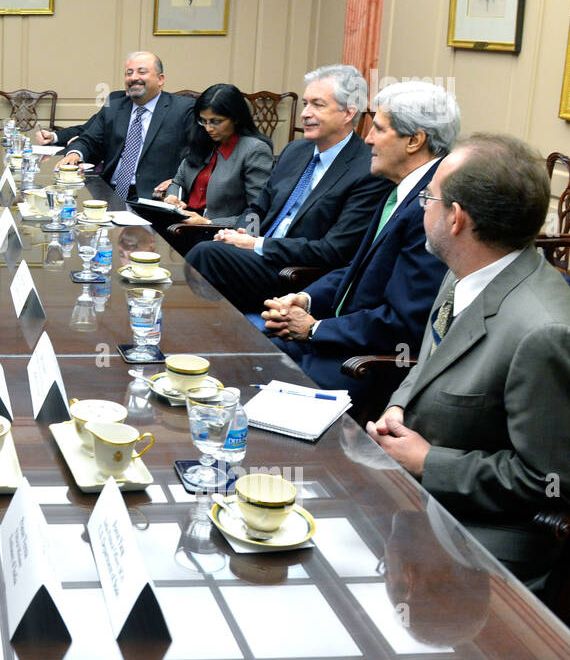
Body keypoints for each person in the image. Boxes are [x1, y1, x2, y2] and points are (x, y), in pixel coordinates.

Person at [366, 134, 570, 589]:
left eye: (428, 198)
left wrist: (430, 461)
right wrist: (400, 404)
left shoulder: (544, 334)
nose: (422, 207)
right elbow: (433, 362)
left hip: (492, 538)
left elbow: (563, 484)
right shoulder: (468, 274)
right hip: (426, 500)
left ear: (456, 219)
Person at [258, 80, 457, 413]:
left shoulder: (430, 205)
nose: (367, 139)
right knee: (253, 357)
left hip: (370, 364)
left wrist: (314, 329)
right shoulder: (399, 189)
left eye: (378, 129)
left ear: (414, 141)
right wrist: (305, 299)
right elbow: (359, 270)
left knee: (265, 399)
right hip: (342, 341)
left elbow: (404, 323)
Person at [183, 64, 391, 312]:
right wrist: (237, 234)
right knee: (206, 248)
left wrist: (256, 244)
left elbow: (334, 251)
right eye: (305, 103)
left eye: (317, 105)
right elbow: (258, 208)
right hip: (259, 256)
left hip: (296, 274)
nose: (305, 113)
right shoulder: (296, 151)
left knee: (206, 256)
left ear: (348, 113)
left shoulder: (367, 169)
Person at [57, 51, 196, 200]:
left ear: (160, 79)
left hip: (155, 196)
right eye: (129, 73)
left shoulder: (183, 109)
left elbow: (198, 155)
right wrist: (75, 154)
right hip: (108, 192)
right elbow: (89, 139)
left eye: (141, 72)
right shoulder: (115, 106)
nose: (134, 78)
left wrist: (178, 181)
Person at [152, 83, 274, 231]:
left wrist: (207, 223)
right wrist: (172, 198)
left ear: (236, 118)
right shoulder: (201, 139)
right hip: (183, 222)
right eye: (204, 120)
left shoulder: (254, 150)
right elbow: (178, 182)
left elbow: (256, 215)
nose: (208, 128)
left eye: (216, 122)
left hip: (217, 231)